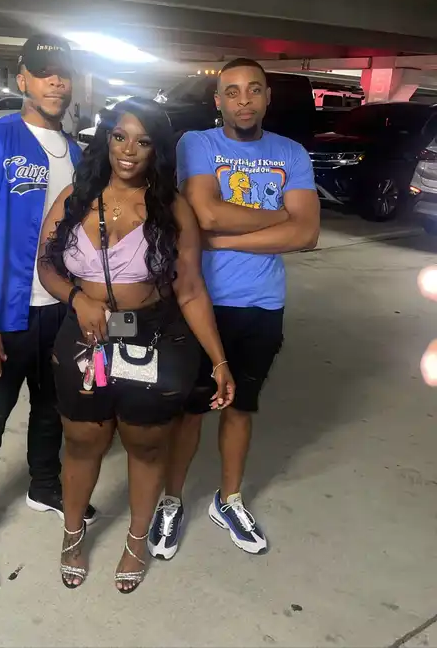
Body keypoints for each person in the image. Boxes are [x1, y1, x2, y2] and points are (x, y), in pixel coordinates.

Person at [37, 98, 235, 593]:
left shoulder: (173, 209)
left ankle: (136, 541)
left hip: (154, 338)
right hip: (85, 338)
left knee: (146, 446)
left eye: (143, 141)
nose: (129, 150)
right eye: (120, 137)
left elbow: (191, 291)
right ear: (106, 140)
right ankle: (72, 534)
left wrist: (219, 361)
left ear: (157, 150)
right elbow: (45, 264)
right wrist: (77, 298)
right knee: (82, 441)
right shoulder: (75, 197)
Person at [147, 58, 320, 560]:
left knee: (242, 407)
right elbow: (204, 212)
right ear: (218, 100)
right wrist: (280, 217)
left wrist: (222, 238)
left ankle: (229, 499)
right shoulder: (197, 144)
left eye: (254, 90)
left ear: (268, 97)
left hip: (263, 304)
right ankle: (171, 501)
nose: (244, 100)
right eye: (233, 92)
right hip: (202, 301)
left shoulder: (290, 152)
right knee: (190, 410)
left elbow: (307, 232)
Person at [0, 35, 96, 595]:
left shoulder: (78, 154)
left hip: (59, 312)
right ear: (23, 79)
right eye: (44, 71)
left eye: (63, 72)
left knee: (52, 407)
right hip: (4, 315)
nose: (56, 81)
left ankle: (44, 484)